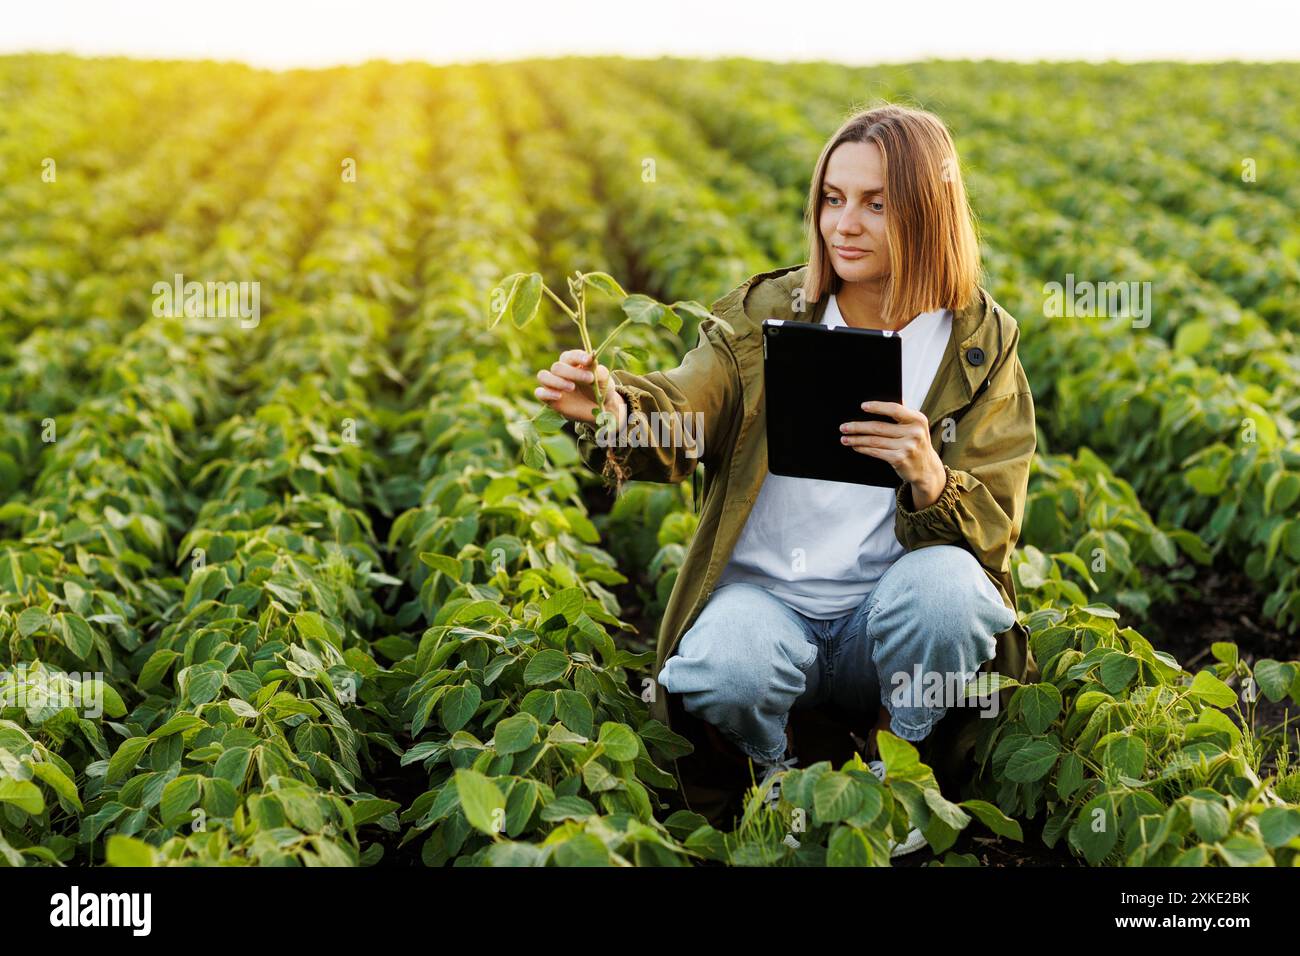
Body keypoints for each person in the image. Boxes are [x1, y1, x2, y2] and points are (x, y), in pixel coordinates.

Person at [533, 104, 1038, 857]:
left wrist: (930, 475)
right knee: (725, 665)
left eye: (876, 204)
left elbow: (995, 525)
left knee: (951, 596)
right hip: (771, 608)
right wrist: (613, 407)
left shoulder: (977, 345)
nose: (846, 224)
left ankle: (895, 764)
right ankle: (775, 771)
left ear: (928, 210)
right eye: (833, 199)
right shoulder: (770, 314)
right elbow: (687, 406)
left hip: (883, 626)